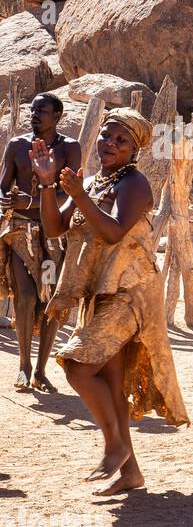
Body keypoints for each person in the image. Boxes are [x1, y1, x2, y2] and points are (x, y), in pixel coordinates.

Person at [35, 107, 187, 495]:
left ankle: (114, 446)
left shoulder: (134, 184)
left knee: (76, 365)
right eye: (106, 136)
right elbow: (54, 228)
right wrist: (48, 185)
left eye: (121, 140)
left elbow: (116, 232)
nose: (109, 144)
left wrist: (81, 195)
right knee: (111, 381)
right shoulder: (97, 181)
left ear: (135, 149)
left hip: (130, 293)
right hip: (101, 291)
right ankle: (131, 471)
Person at [0, 92, 81, 392]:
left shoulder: (70, 149)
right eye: (32, 110)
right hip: (22, 235)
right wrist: (9, 201)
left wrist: (31, 200)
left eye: (42, 111)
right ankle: (23, 365)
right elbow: (1, 188)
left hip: (52, 238)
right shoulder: (17, 146)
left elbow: (68, 191)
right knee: (24, 296)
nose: (34, 115)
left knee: (48, 298)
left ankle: (41, 370)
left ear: (57, 116)